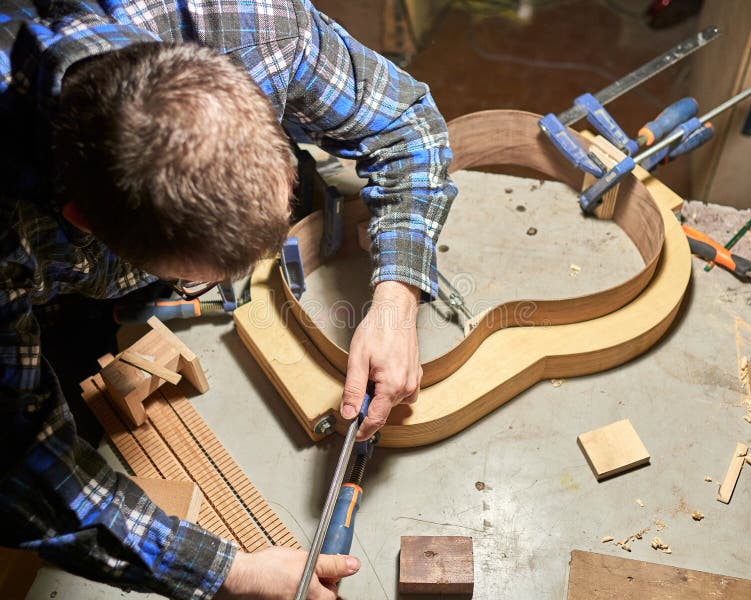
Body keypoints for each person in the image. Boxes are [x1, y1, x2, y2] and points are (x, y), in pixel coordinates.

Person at [0, 0, 457, 597]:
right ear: (83, 221)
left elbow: (409, 128)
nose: (226, 291)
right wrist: (228, 572)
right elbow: (22, 468)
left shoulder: (252, 25)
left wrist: (395, 300)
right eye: (201, 276)